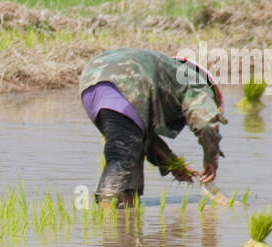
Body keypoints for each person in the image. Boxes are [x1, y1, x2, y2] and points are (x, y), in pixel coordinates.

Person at [79, 48, 226, 206]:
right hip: (126, 84)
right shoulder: (196, 84)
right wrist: (211, 158)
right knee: (121, 155)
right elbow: (205, 123)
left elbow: (144, 139)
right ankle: (107, 214)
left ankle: (126, 207)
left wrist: (171, 162)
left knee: (131, 146)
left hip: (90, 83)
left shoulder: (164, 72)